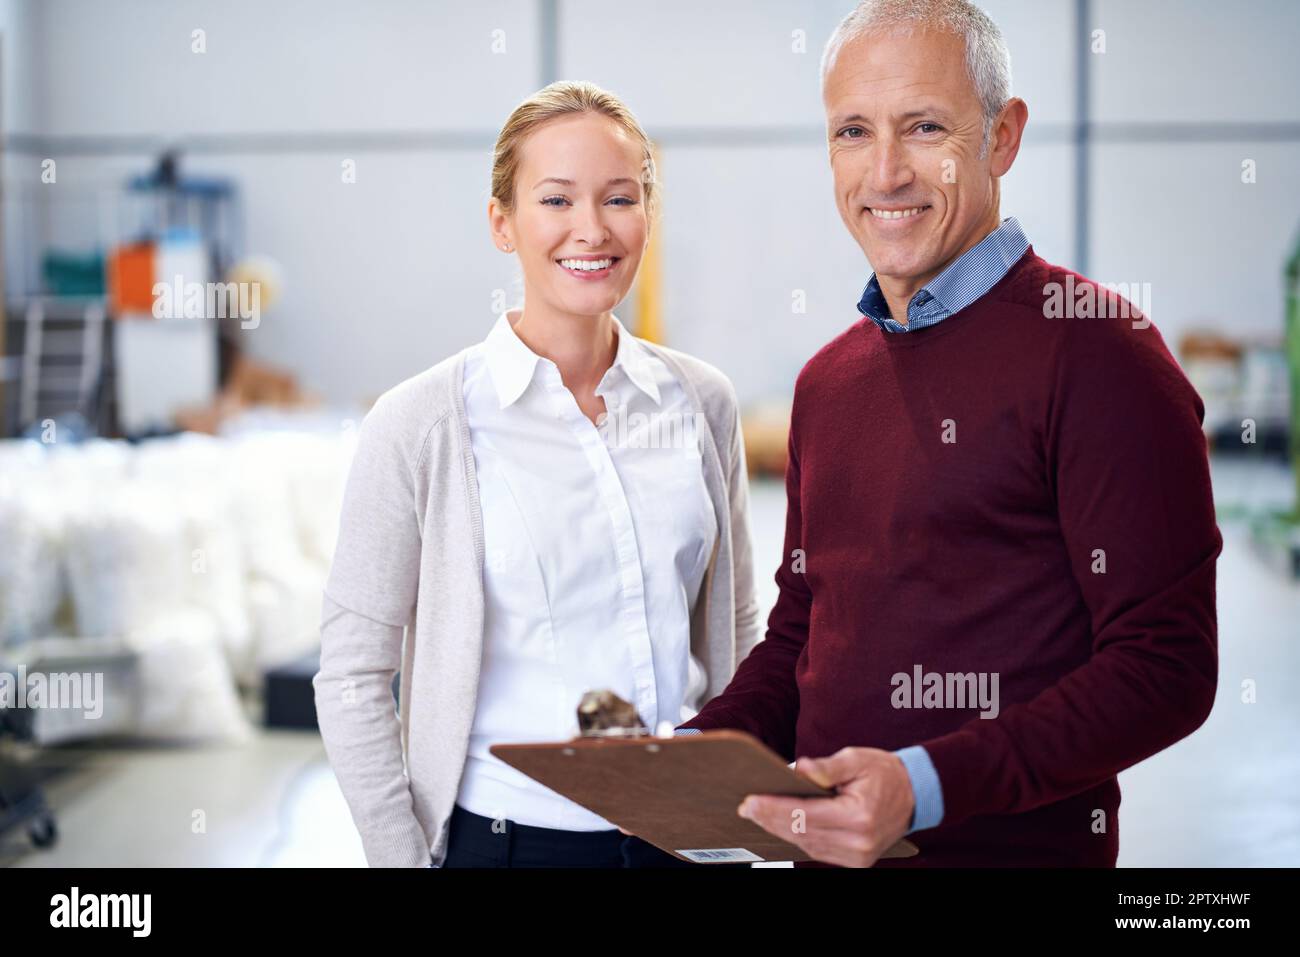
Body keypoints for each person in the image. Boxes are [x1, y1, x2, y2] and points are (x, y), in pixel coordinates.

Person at [677, 0, 1221, 867]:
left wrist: (924, 787)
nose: (884, 172)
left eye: (923, 127)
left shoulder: (1103, 355)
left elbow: (1167, 669)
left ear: (1002, 138)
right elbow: (805, 628)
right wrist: (703, 749)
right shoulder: (826, 383)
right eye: (853, 132)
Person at [314, 81, 760, 868]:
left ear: (647, 216)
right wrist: (403, 858)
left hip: (686, 837)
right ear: (503, 223)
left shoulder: (702, 403)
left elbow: (737, 626)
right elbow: (352, 676)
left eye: (619, 198)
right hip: (511, 844)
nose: (591, 229)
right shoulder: (421, 425)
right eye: (556, 200)